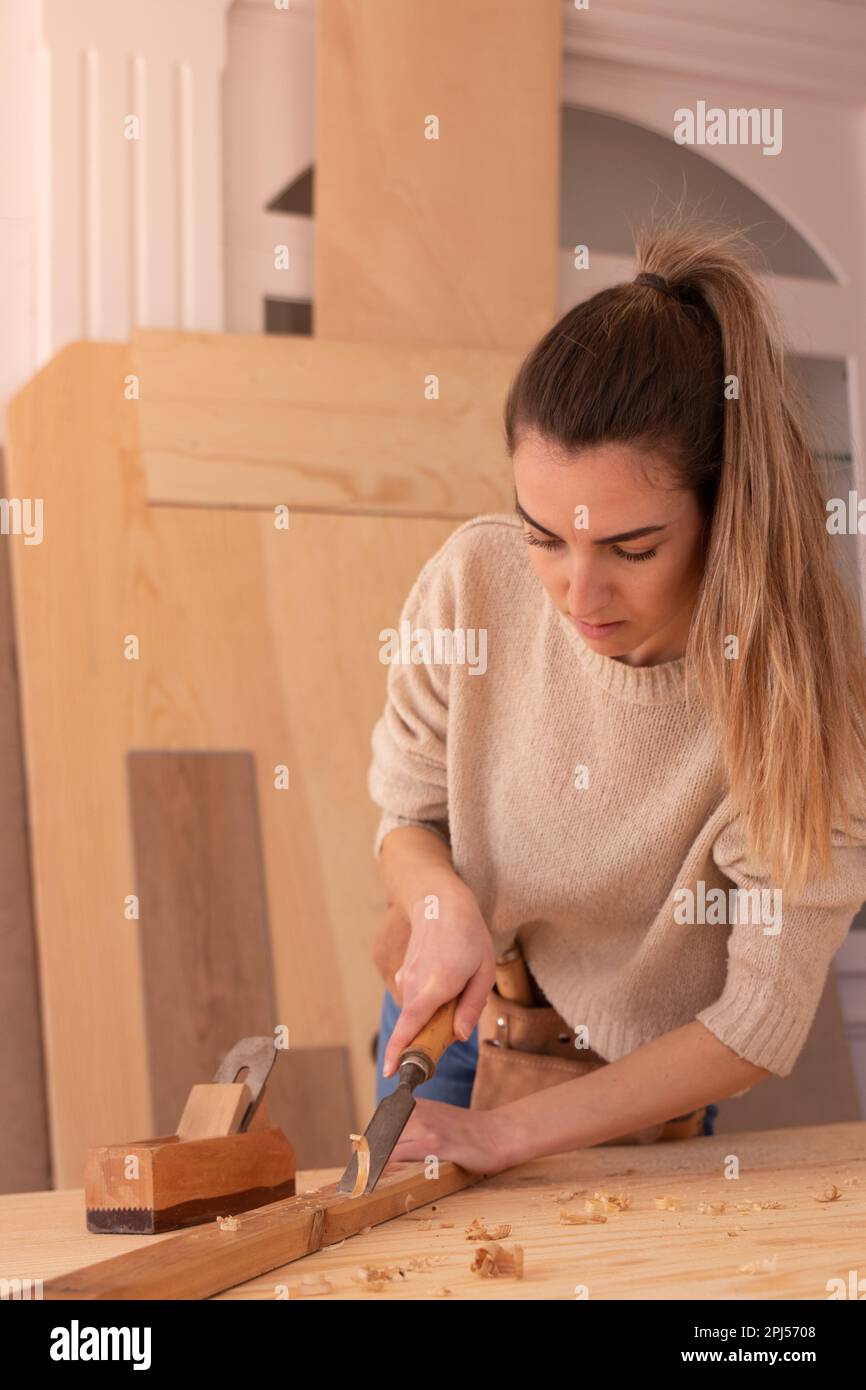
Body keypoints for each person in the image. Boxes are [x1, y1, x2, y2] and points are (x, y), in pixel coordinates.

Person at [366, 214, 866, 1177]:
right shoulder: (473, 581)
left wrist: (504, 1134)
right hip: (452, 1023)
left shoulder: (804, 702)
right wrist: (439, 904)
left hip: (650, 1072)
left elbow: (755, 1024)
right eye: (543, 536)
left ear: (730, 515)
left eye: (632, 550)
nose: (577, 596)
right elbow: (408, 813)